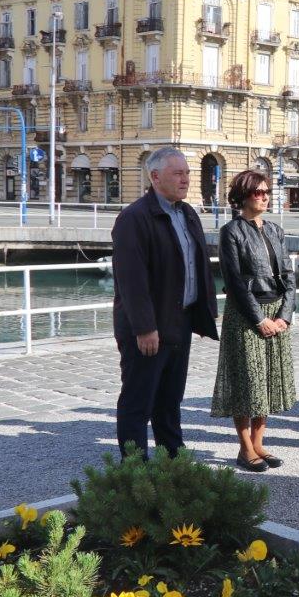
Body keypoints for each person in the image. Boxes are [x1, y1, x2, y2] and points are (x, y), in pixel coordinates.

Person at [111, 146, 218, 458]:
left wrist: (204, 313)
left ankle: (173, 458)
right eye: (178, 173)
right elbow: (132, 281)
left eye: (187, 173)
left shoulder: (187, 214)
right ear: (155, 177)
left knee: (170, 398)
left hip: (179, 322)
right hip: (148, 327)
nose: (185, 179)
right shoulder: (134, 218)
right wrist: (145, 328)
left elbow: (199, 267)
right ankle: (135, 467)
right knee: (138, 399)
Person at [211, 170, 296, 472]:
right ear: (242, 196)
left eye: (266, 192)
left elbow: (288, 275)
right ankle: (245, 448)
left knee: (269, 381)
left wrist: (285, 316)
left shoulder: (275, 229)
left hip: (276, 314)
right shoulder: (231, 231)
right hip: (246, 316)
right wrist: (260, 319)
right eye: (257, 192)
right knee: (247, 382)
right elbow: (233, 282)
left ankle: (260, 443)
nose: (263, 197)